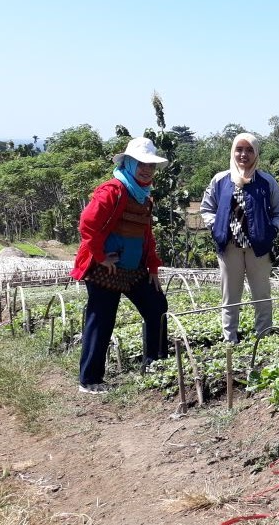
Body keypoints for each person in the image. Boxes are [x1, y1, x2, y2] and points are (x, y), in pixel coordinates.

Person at [70, 137, 170, 394]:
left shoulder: (144, 196)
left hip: (134, 268)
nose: (147, 169)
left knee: (157, 305)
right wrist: (100, 256)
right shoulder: (113, 190)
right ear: (128, 163)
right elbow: (87, 224)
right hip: (107, 268)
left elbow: (146, 235)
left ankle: (156, 363)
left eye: (151, 165)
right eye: (141, 163)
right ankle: (90, 379)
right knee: (101, 319)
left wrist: (153, 268)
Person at [200, 133, 279, 343]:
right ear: (233, 152)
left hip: (258, 248)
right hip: (229, 246)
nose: (244, 154)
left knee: (262, 293)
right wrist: (216, 227)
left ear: (256, 153)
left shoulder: (266, 181)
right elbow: (206, 208)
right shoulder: (220, 180)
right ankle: (229, 337)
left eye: (249, 150)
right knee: (230, 295)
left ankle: (264, 335)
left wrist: (272, 231)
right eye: (239, 149)